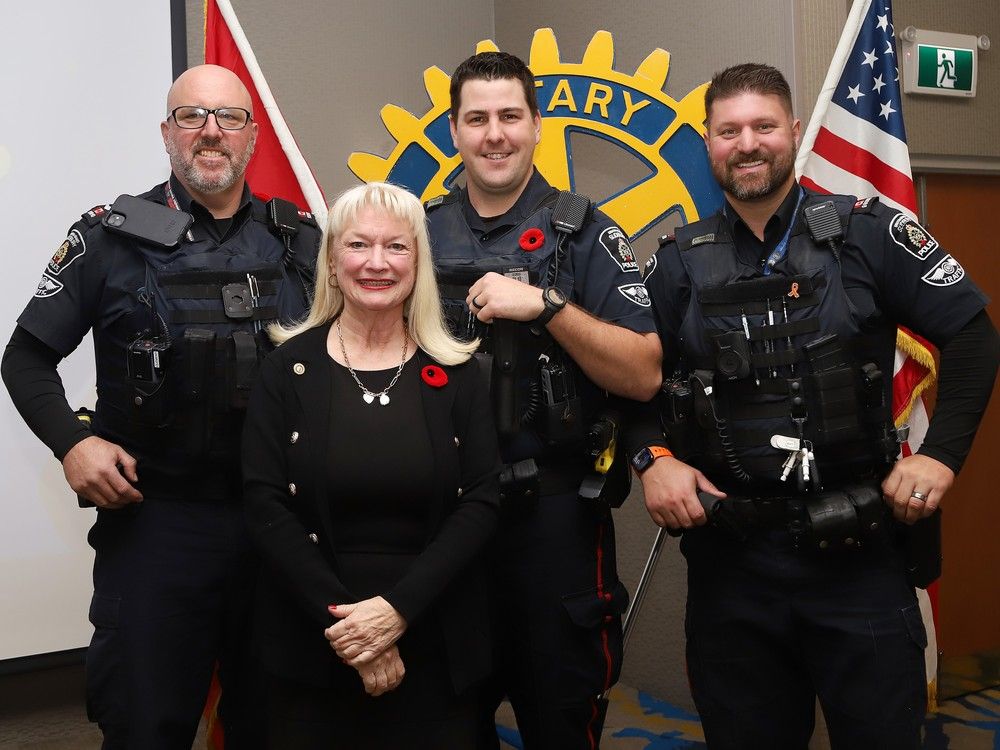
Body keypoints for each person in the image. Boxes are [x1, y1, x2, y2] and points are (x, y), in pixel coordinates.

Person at [631, 63, 999, 749]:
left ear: (794, 133)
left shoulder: (865, 233)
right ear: (707, 143)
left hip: (858, 559)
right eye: (729, 130)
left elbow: (975, 339)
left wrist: (942, 457)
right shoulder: (679, 261)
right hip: (732, 567)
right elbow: (633, 378)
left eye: (764, 126)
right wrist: (651, 459)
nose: (748, 144)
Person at [1, 64, 320, 748]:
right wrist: (72, 443)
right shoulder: (109, 240)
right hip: (157, 524)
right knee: (146, 723)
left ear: (252, 136)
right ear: (166, 133)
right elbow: (24, 358)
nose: (211, 133)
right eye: (191, 117)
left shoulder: (302, 244)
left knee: (279, 724)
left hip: (278, 524)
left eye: (229, 118)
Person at [427, 51, 662, 748]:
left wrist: (547, 306)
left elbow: (645, 373)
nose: (494, 134)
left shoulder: (585, 231)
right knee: (440, 723)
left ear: (535, 125)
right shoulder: (417, 232)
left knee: (562, 715)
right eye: (477, 119)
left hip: (551, 522)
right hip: (440, 521)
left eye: (509, 116)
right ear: (455, 132)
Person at [241, 181, 501, 748]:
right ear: (332, 262)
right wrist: (351, 627)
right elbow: (264, 504)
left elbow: (483, 500)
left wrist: (397, 612)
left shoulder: (460, 373)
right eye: (359, 246)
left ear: (419, 263)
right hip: (313, 642)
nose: (377, 263)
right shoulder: (285, 370)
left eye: (397, 247)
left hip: (436, 641)